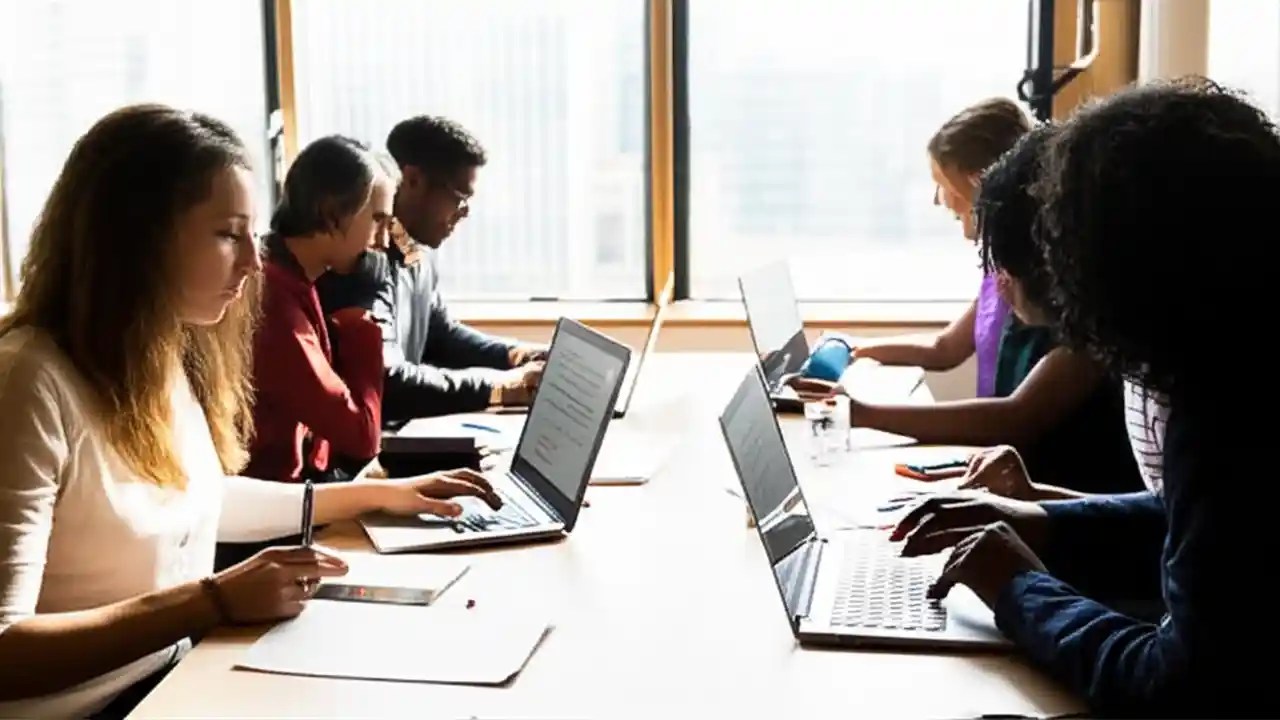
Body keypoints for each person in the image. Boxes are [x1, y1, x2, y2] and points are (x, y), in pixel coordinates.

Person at [0, 104, 500, 718]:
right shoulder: (28, 380)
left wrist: (378, 497)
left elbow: (204, 499)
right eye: (228, 234)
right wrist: (210, 601)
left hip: (171, 681)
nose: (251, 262)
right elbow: (6, 652)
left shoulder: (161, 351)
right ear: (138, 233)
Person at [893, 79, 1277, 716]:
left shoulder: (1227, 405)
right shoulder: (1237, 352)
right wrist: (1042, 525)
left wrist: (1017, 587)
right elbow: (1197, 526)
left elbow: (1178, 687)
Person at [801, 103, 1139, 493]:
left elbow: (1016, 417)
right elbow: (944, 349)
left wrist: (859, 412)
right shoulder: (1010, 271)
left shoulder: (1088, 319)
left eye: (943, 183)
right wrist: (852, 352)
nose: (1000, 286)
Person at [316, 116, 546, 423]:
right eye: (459, 198)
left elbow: (440, 334)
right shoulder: (364, 258)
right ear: (412, 179)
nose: (464, 213)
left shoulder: (413, 250)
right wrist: (504, 385)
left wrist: (518, 355)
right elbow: (391, 382)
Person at [247, 135, 396, 484]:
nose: (383, 242)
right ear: (332, 215)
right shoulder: (273, 299)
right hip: (272, 504)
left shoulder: (296, 278)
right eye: (377, 221)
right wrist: (362, 320)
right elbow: (361, 435)